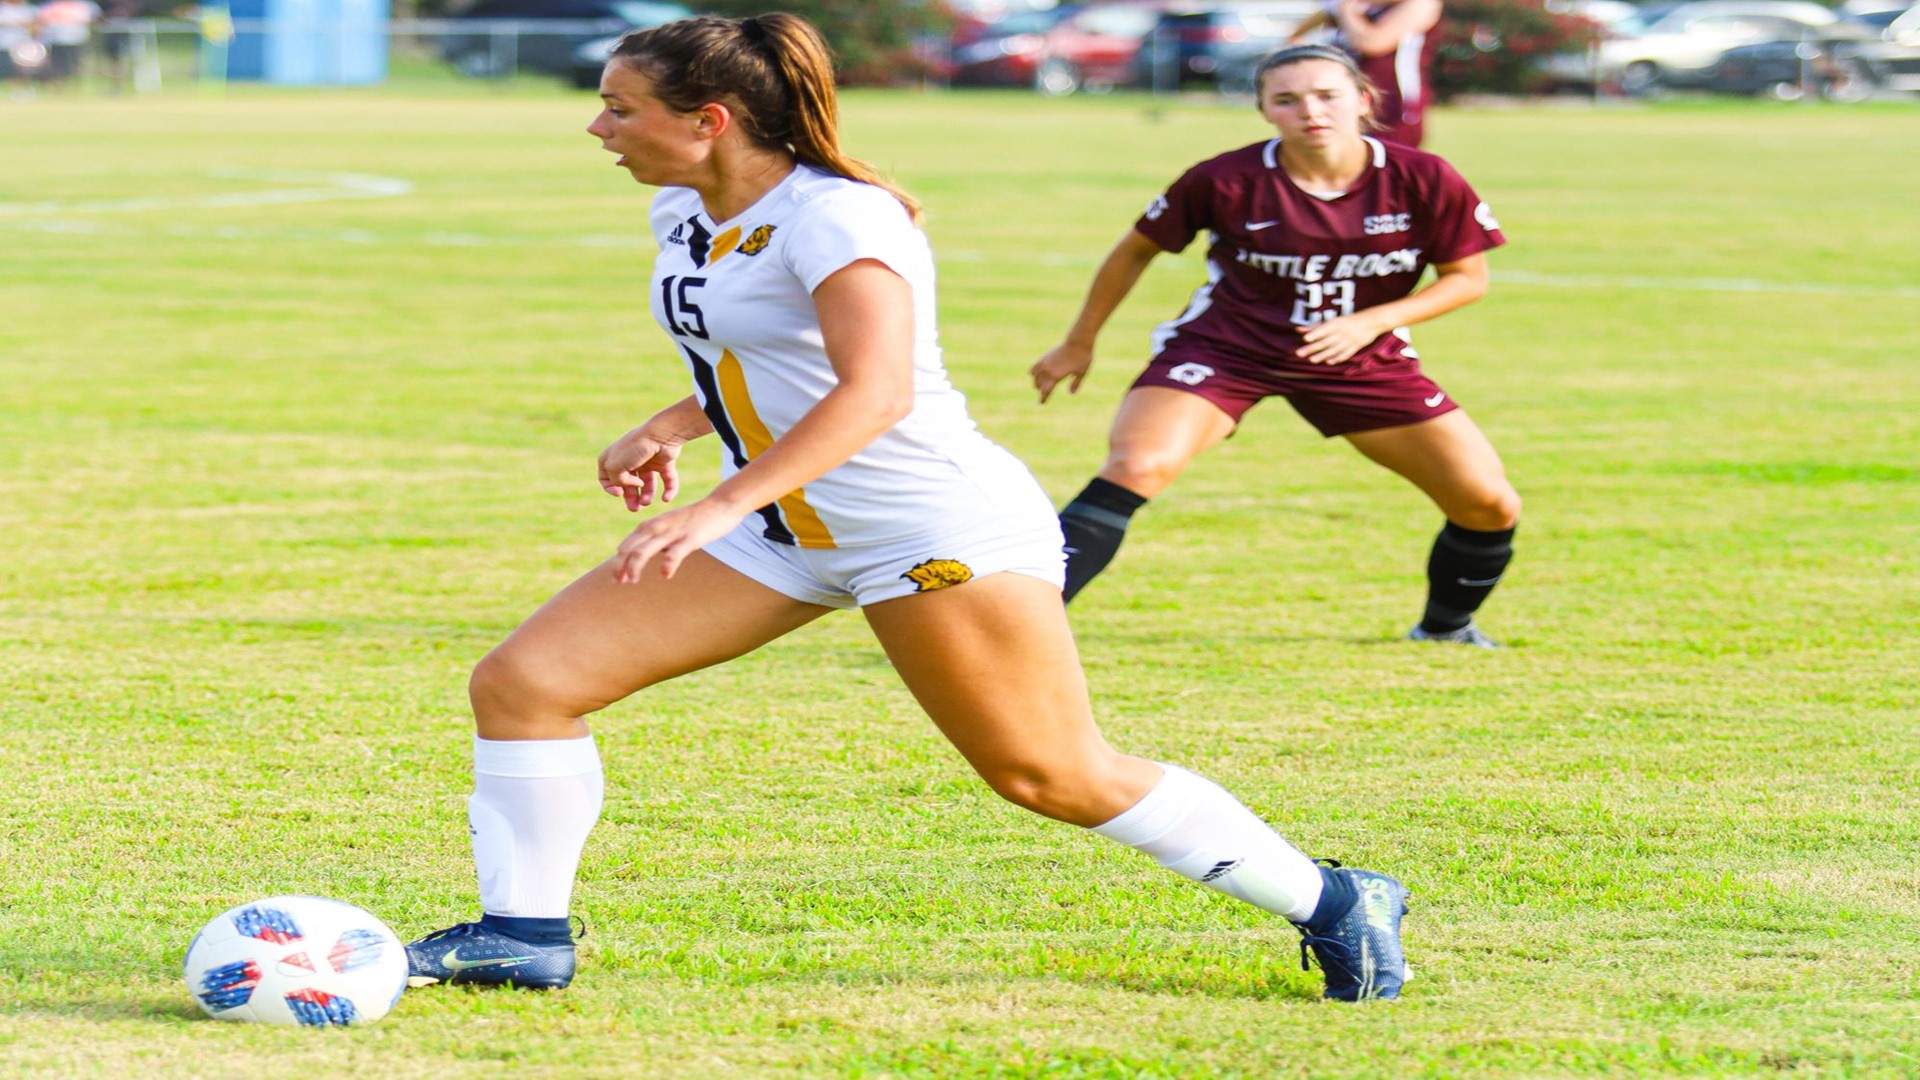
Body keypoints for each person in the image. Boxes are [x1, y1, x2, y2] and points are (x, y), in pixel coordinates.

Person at [401, 15, 1410, 1002]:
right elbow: (762, 357)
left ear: (709, 119)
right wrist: (677, 424)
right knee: (527, 684)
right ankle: (520, 935)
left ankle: (1333, 899)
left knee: (1049, 774)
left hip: (930, 529)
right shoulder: (684, 208)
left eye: (619, 110)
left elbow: (876, 391)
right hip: (791, 528)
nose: (599, 130)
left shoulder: (841, 217)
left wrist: (718, 506)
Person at [1030, 44, 1518, 648]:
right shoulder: (1225, 179)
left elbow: (1467, 280)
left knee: (1488, 503)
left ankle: (1445, 630)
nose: (1310, 111)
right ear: (1264, 110)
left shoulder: (1423, 177)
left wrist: (1370, 322)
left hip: (1358, 357)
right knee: (1137, 466)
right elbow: (1135, 249)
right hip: (1224, 350)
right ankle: (1015, 629)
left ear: (1363, 102)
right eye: (1286, 100)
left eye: (1327, 95)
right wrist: (1079, 342)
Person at [1289, 0, 1440, 147]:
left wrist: (1346, 10)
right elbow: (1300, 33)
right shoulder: (1360, 7)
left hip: (1391, 102)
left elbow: (1372, 43)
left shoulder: (1420, 4)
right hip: (1347, 99)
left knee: (1385, 162)